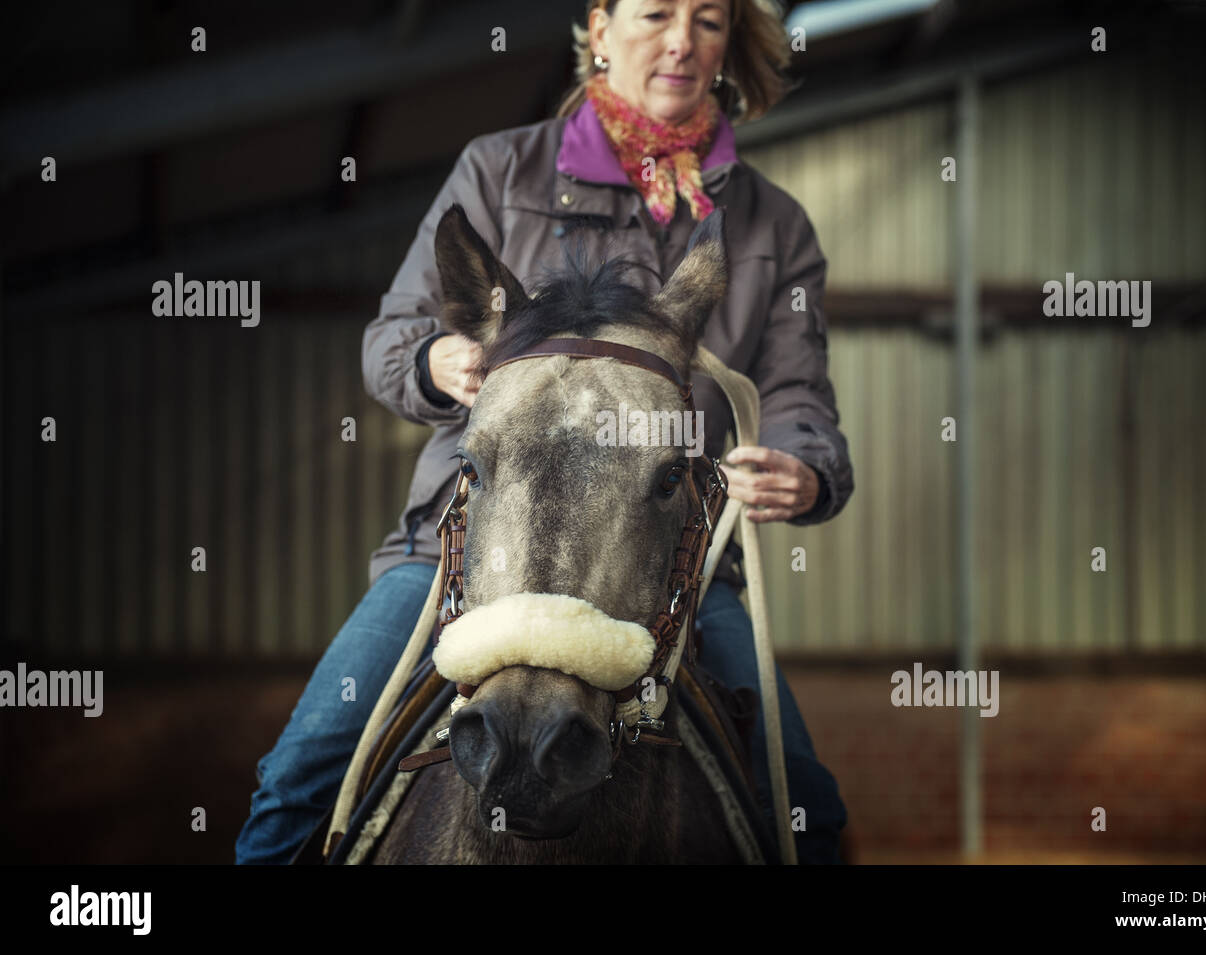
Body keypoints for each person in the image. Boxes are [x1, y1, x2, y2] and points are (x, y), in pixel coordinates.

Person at [236, 0, 853, 865]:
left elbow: (796, 393)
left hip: (673, 563)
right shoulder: (499, 171)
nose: (682, 41)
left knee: (807, 808)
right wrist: (434, 360)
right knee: (297, 780)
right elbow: (393, 336)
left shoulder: (773, 226)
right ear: (599, 29)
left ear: (729, 45)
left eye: (709, 21)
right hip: (461, 551)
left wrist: (803, 465)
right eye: (655, 14)